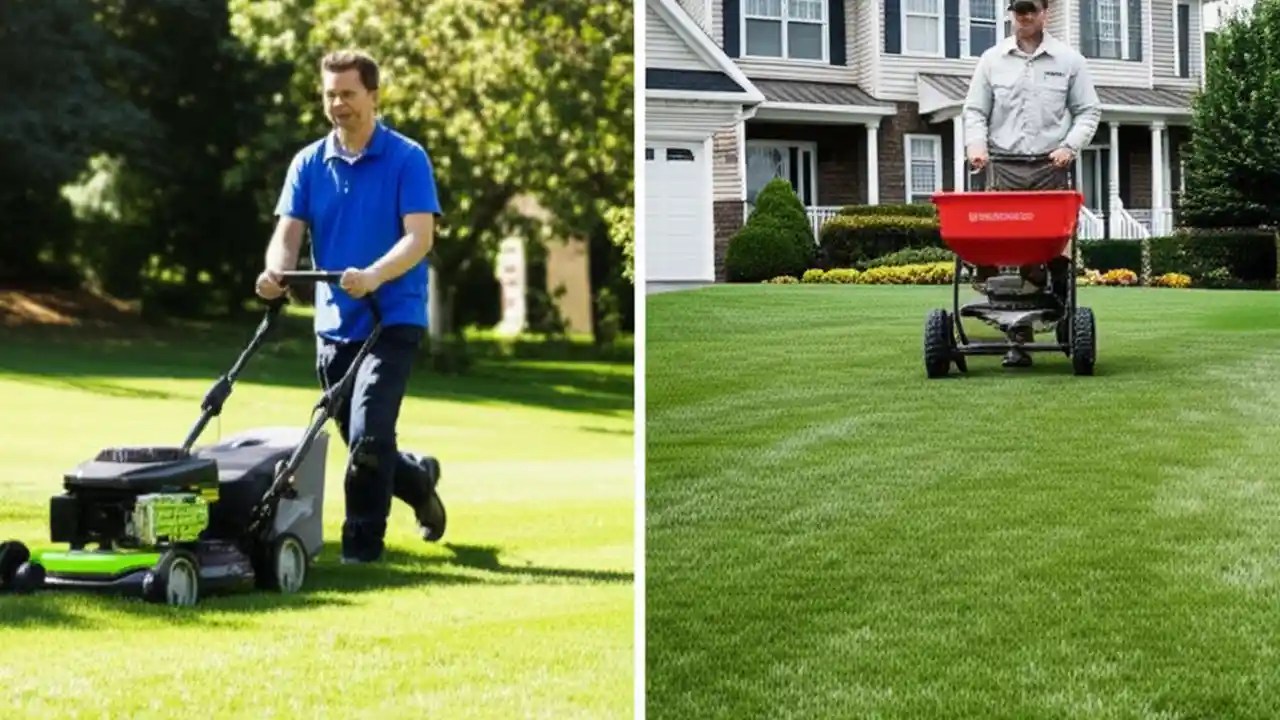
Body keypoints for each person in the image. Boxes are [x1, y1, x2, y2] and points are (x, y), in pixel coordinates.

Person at [255, 49, 444, 563]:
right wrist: (276, 273)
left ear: (374, 97)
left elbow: (419, 237)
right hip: (335, 325)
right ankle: (419, 479)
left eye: (349, 94)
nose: (339, 104)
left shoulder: (407, 158)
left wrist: (376, 275)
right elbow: (287, 234)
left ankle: (361, 547)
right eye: (330, 94)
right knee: (367, 444)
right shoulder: (308, 163)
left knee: (369, 436)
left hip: (393, 316)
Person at [962, 0, 1101, 367]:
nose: (1024, 16)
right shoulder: (991, 60)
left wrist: (1070, 146)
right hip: (1003, 166)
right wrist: (976, 146)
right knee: (996, 248)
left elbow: (1088, 110)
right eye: (1018, 9)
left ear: (1045, 12)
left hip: (1049, 167)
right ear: (1011, 13)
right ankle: (1016, 338)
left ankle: (1057, 301)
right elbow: (975, 111)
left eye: (1031, 9)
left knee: (1046, 252)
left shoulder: (1069, 61)